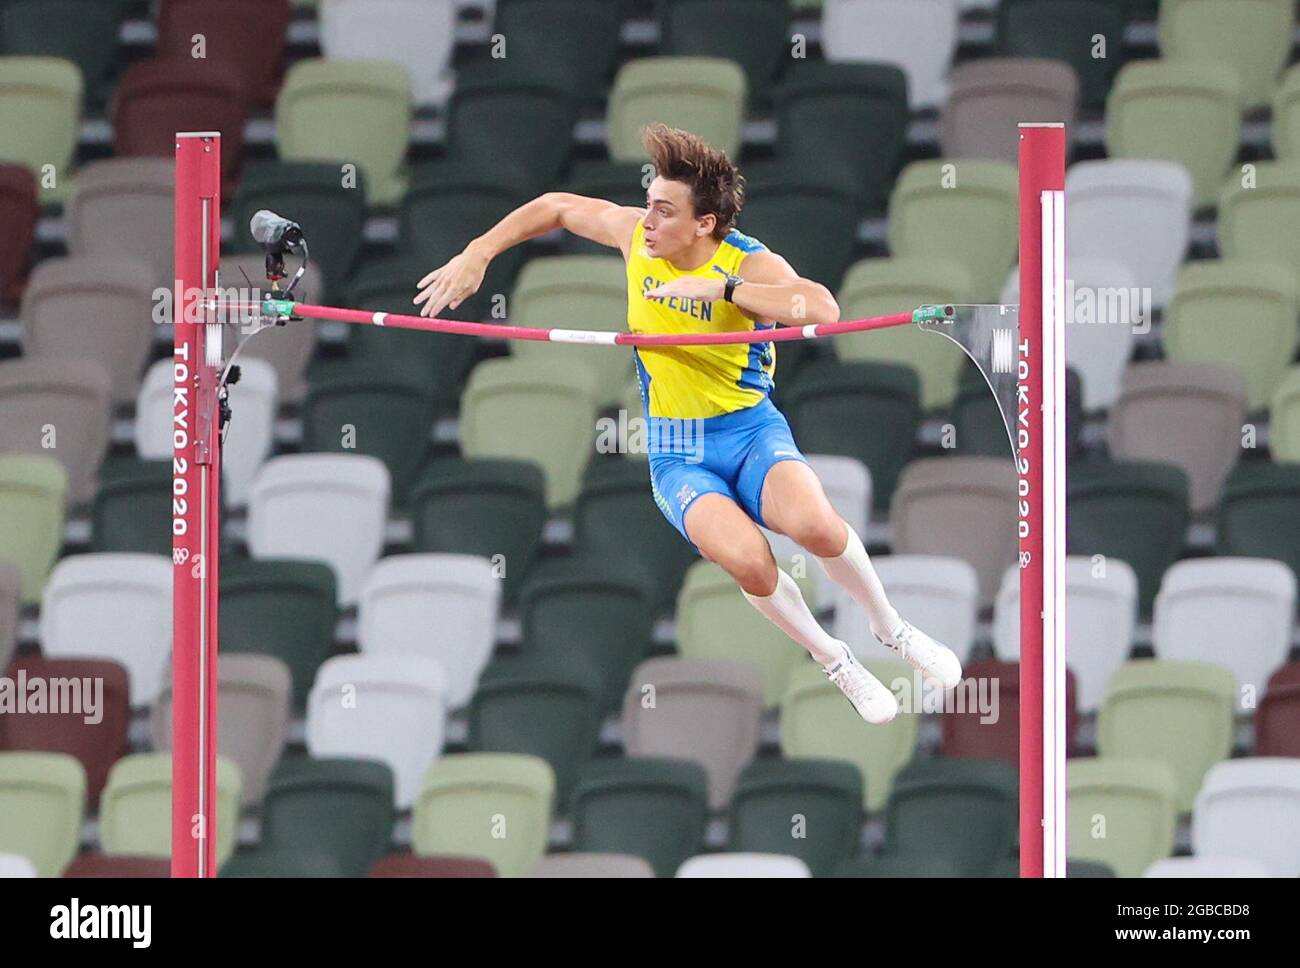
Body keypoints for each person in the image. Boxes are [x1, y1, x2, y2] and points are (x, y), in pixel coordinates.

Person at [414, 123, 961, 724]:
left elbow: (822, 308)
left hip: (750, 430)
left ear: (704, 224)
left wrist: (729, 292)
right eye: (649, 205)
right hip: (678, 449)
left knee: (816, 527)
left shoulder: (749, 261)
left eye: (664, 212)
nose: (647, 221)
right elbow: (557, 207)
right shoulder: (633, 239)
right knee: (750, 561)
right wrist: (478, 252)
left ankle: (892, 630)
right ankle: (836, 660)